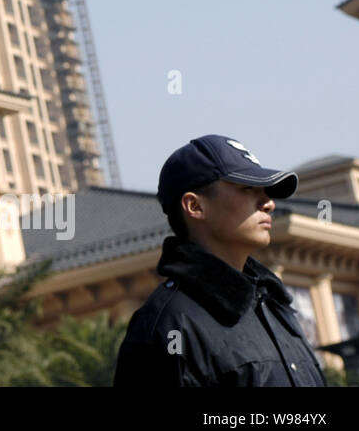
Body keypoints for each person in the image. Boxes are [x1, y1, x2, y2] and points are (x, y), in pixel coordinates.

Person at [113, 134, 326, 387]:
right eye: (247, 188)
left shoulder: (276, 308)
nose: (268, 203)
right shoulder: (168, 324)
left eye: (266, 191)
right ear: (194, 206)